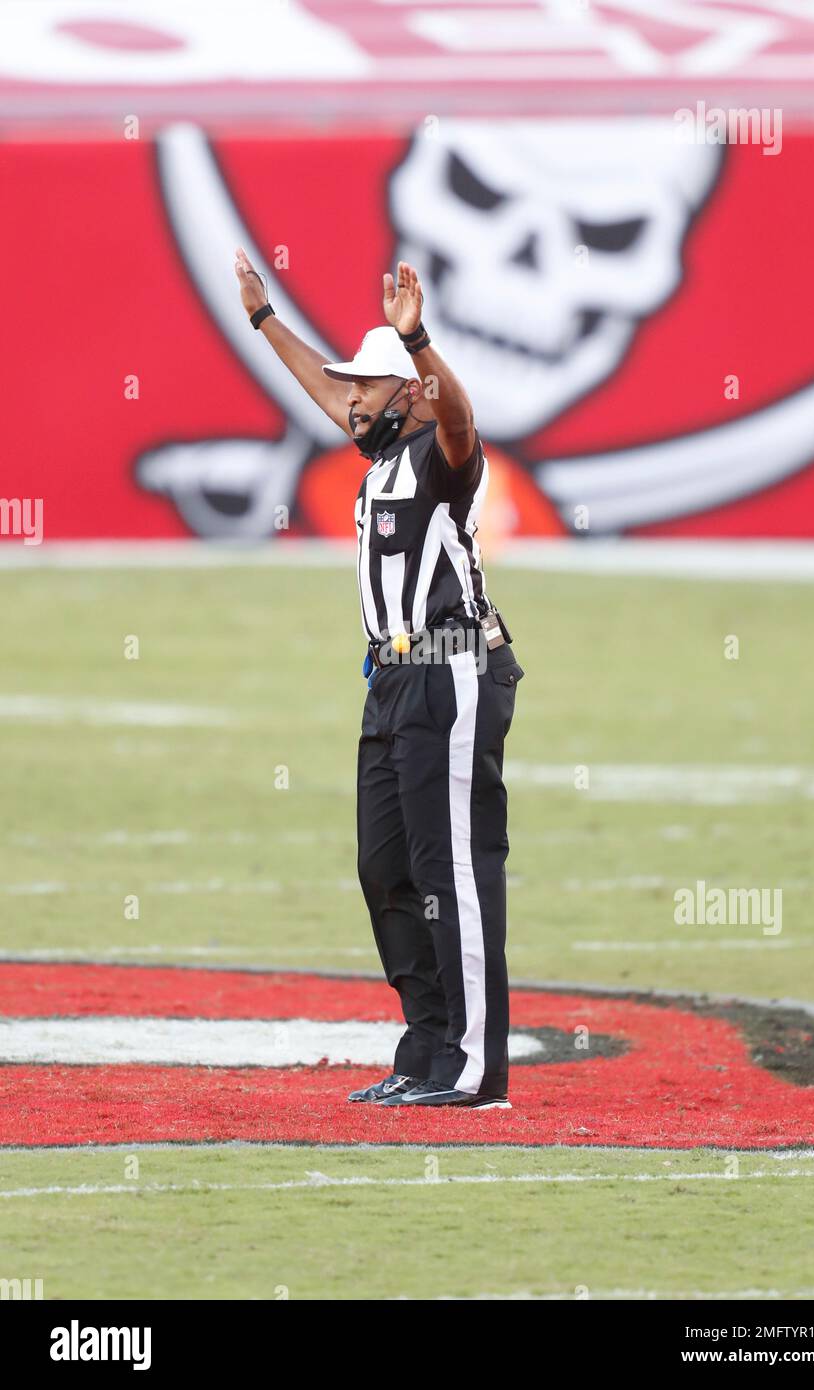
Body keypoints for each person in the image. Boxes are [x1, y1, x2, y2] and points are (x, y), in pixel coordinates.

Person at [234, 249, 524, 1108]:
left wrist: (419, 341)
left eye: (367, 384)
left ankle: (475, 1066)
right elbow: (324, 392)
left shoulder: (441, 455)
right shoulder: (378, 457)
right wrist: (262, 319)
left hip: (451, 668)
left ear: (406, 392)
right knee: (386, 867)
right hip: (391, 682)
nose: (349, 397)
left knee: (452, 871)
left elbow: (461, 416)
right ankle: (430, 1048)